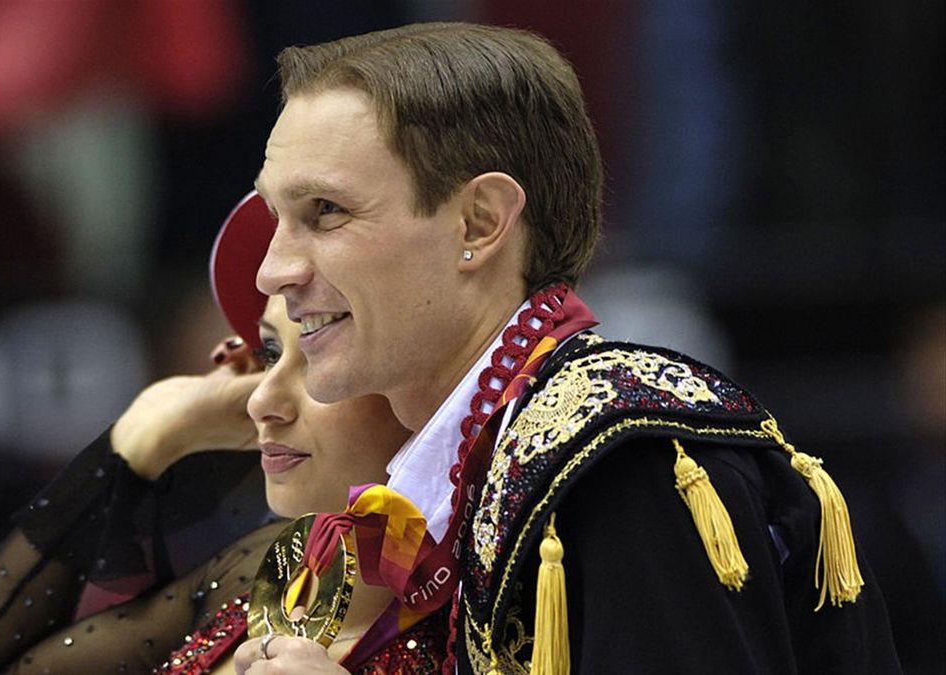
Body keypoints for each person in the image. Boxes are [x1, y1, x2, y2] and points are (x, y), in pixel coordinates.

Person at [234, 22, 903, 674]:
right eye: (277, 217)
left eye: (325, 210)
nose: (273, 269)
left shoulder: (619, 463)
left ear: (480, 222)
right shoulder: (464, 474)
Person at [0, 193, 449, 674]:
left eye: (315, 350)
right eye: (267, 354)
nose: (261, 398)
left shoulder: (496, 597)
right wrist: (140, 443)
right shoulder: (268, 573)